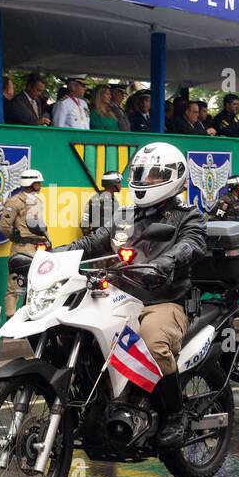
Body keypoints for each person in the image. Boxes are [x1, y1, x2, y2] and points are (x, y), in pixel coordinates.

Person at [55, 142, 207, 448]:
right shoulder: (124, 214)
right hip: (119, 297)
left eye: (154, 175)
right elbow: (92, 242)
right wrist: (48, 258)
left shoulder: (188, 215)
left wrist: (165, 263)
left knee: (152, 342)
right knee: (70, 329)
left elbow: (191, 245)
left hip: (163, 300)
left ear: (175, 177)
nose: (146, 181)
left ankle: (175, 414)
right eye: (141, 174)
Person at [0, 168, 50, 314]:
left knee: (37, 285)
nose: (40, 185)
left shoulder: (38, 201)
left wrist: (47, 240)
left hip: (38, 249)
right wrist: (16, 238)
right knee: (14, 287)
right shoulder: (15, 201)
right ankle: (10, 321)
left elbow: (41, 225)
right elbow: (4, 226)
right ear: (31, 183)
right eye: (38, 182)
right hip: (22, 248)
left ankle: (31, 318)